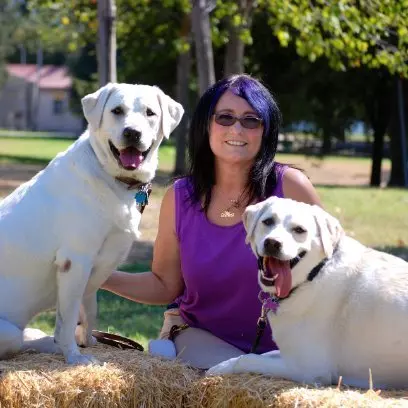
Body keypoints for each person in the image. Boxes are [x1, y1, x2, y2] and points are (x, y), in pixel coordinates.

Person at [101, 74, 321, 369]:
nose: (237, 129)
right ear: (207, 125)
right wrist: (96, 276)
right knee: (241, 379)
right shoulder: (180, 197)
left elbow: (338, 271)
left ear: (266, 130)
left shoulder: (291, 187)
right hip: (200, 341)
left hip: (288, 349)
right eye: (225, 118)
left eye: (251, 120)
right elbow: (165, 285)